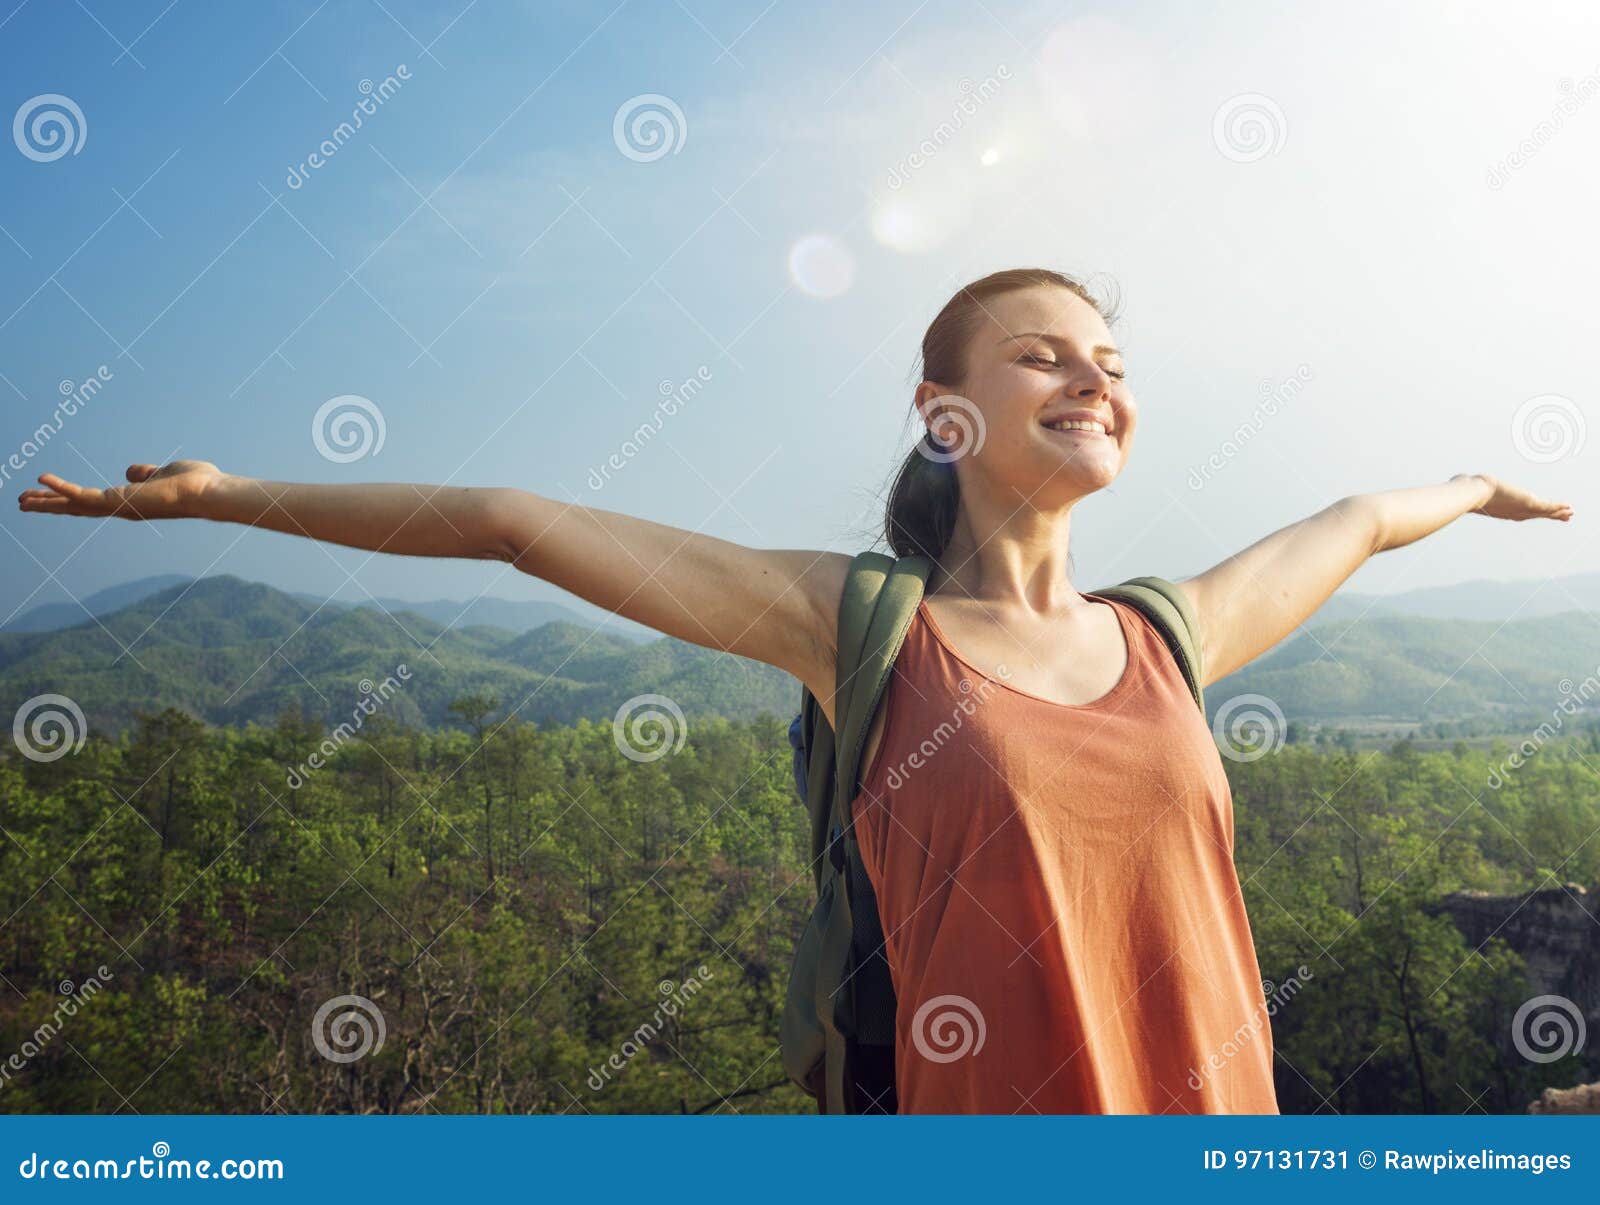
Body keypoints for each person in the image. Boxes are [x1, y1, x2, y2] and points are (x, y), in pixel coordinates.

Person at [17, 267, 1574, 1114]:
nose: (1096, 377)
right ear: (945, 414)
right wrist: (226, 496)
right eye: (1045, 356)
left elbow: (1356, 519)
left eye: (1111, 358)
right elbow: (507, 520)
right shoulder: (861, 628)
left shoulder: (1170, 636)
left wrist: (1478, 486)